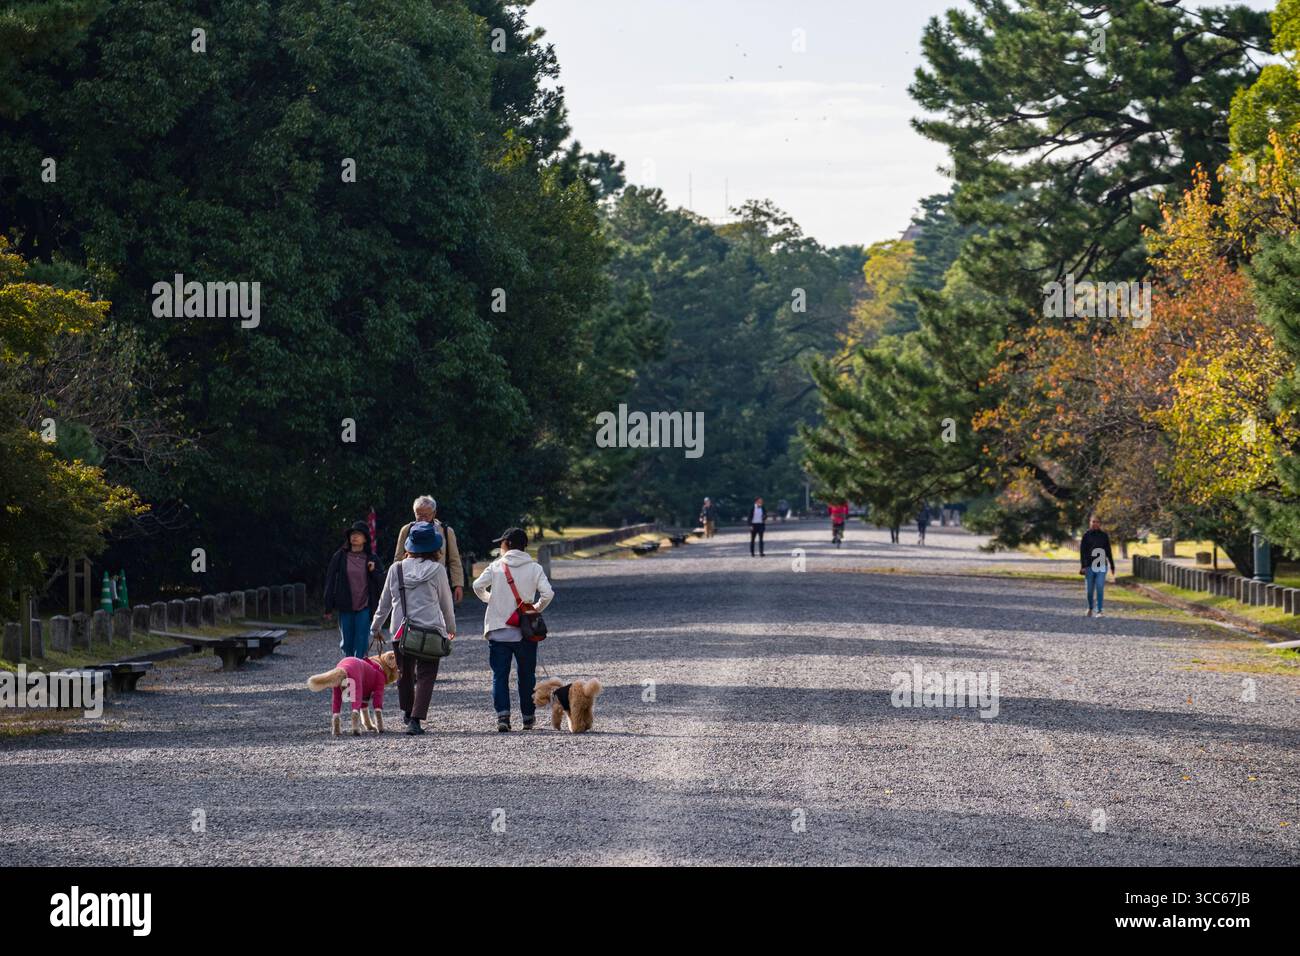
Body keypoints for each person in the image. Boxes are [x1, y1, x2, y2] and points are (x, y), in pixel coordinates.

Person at [370, 521, 456, 735]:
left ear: (409, 546)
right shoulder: (437, 570)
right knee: (427, 674)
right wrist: (451, 627)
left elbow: (385, 602)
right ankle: (416, 719)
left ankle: (408, 712)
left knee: (404, 674)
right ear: (435, 548)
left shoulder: (396, 568)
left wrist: (376, 626)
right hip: (431, 630)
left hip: (401, 631)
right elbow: (446, 602)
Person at [473, 527, 554, 733]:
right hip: (525, 631)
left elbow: (477, 586)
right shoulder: (535, 568)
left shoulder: (496, 566)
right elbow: (548, 594)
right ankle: (528, 717)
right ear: (524, 546)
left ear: (506, 544)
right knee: (526, 675)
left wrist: (492, 600)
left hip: (499, 630)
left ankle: (503, 716)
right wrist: (534, 609)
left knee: (499, 675)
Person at [324, 521, 385, 659]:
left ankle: (360, 669)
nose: (354, 537)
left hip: (364, 605)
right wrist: (328, 606)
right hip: (345, 605)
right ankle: (349, 668)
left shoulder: (372, 558)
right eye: (352, 534)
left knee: (362, 641)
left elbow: (383, 581)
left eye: (358, 534)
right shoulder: (340, 556)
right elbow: (330, 580)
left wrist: (373, 570)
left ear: (365, 539)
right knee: (347, 643)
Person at [395, 495, 465, 603]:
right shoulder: (406, 530)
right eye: (419, 515)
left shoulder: (446, 531)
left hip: (438, 583)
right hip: (412, 584)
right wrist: (397, 583)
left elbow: (454, 560)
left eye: (426, 516)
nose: (423, 519)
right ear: (414, 513)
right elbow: (398, 558)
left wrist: (458, 584)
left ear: (434, 513)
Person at [1079, 515, 1116, 617]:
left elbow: (1108, 551)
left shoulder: (1104, 536)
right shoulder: (1086, 535)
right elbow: (1082, 552)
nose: (1095, 523)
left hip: (1101, 565)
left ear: (1100, 523)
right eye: (1093, 521)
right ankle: (1090, 607)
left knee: (1100, 587)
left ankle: (1099, 610)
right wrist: (1083, 566)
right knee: (1089, 590)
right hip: (1089, 565)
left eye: (1097, 522)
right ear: (1090, 523)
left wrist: (1112, 565)